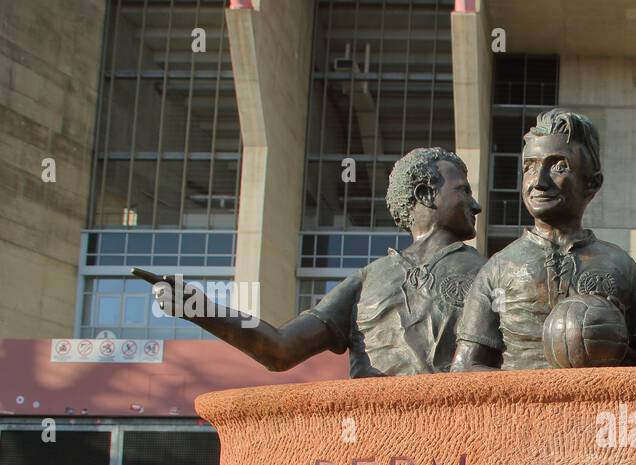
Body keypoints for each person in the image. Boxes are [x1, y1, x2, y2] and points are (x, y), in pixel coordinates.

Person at [140, 147, 484, 377]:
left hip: (460, 448)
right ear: (426, 194)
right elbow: (280, 349)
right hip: (377, 449)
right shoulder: (368, 280)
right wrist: (199, 307)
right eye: (463, 191)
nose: (476, 205)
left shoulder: (493, 273)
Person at [451, 109, 636, 371]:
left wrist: (613, 350)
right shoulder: (499, 268)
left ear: (592, 184)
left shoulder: (621, 266)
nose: (539, 182)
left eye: (559, 166)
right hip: (523, 409)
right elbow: (466, 367)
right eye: (530, 166)